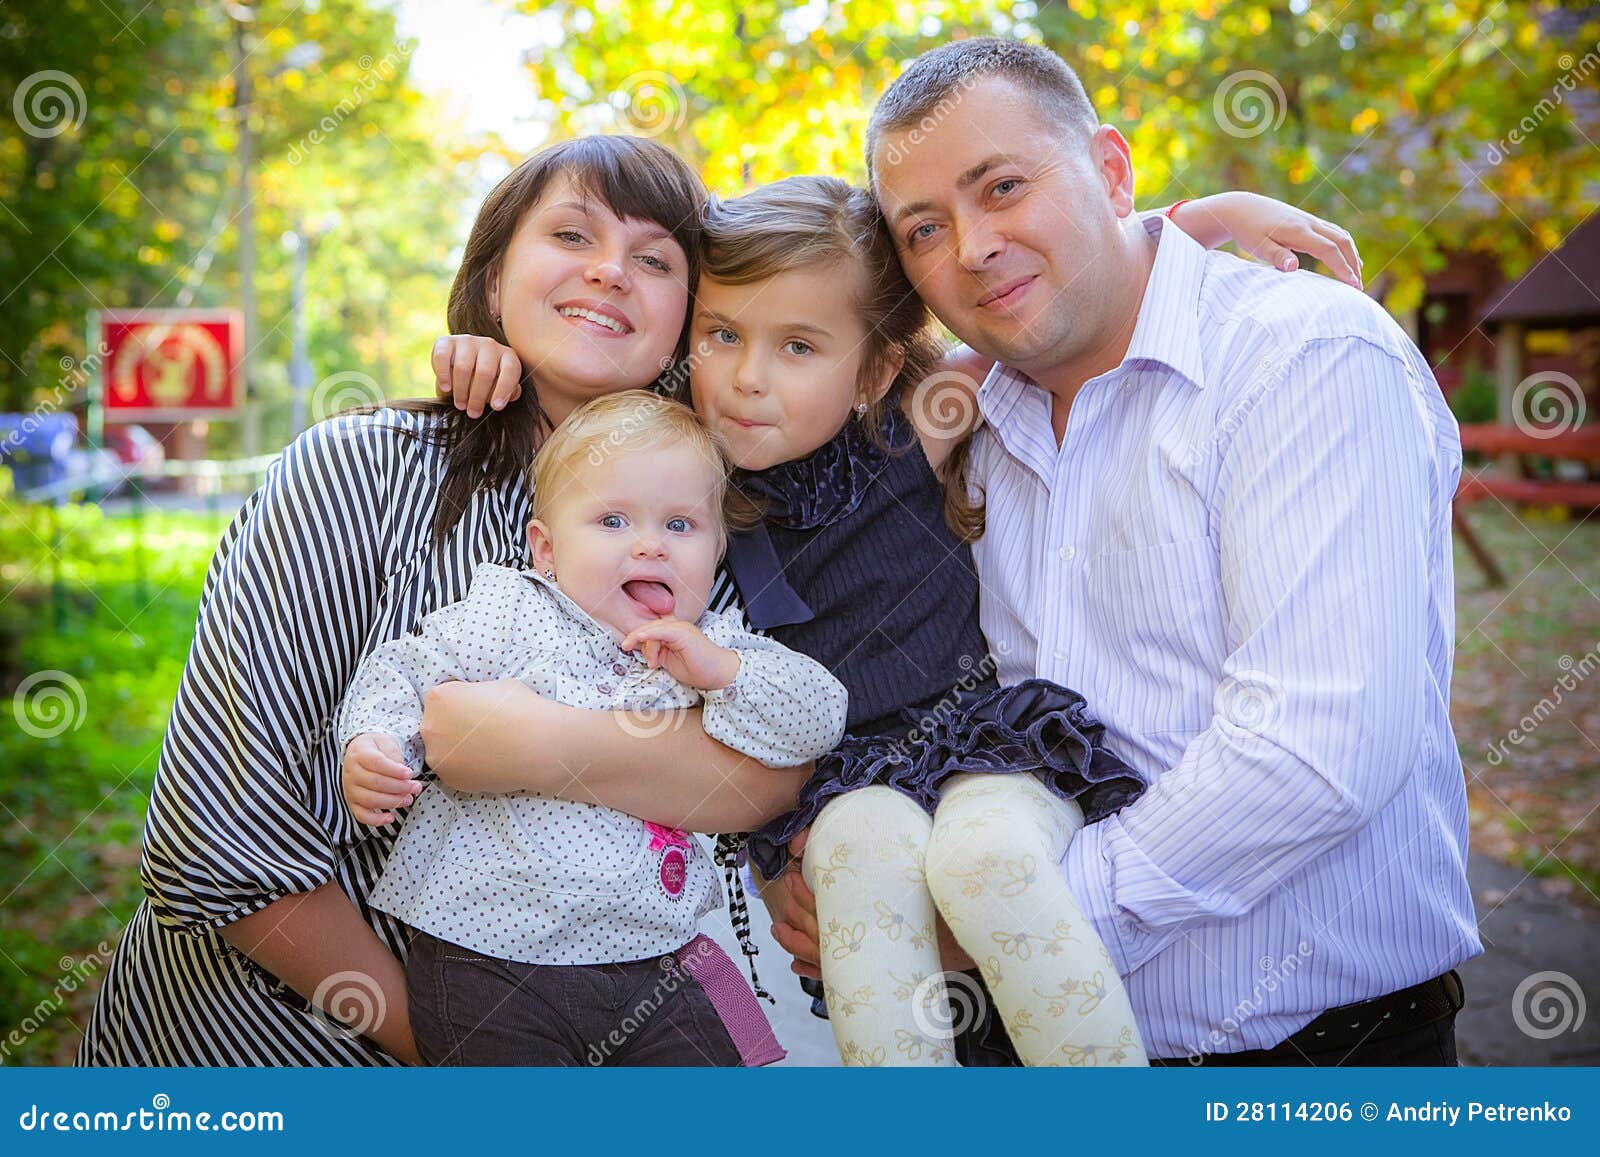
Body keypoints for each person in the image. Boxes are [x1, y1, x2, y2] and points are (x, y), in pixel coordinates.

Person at [430, 185, 1364, 1066]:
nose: (750, 379)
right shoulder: (681, 475)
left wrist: (1203, 218)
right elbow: (582, 414)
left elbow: (1055, 292)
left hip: (980, 747)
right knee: (862, 868)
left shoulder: (914, 426)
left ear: (874, 367)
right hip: (839, 776)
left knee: (991, 861)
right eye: (723, 334)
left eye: (799, 346)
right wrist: (487, 355)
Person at [761, 37, 1479, 1066]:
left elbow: (1315, 749)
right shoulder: (961, 414)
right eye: (924, 228)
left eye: (1002, 185)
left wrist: (999, 922)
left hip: (1309, 1055)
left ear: (1109, 169)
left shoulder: (1302, 357)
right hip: (1010, 1047)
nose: (970, 246)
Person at [77, 135, 811, 1066]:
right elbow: (218, 838)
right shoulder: (355, 473)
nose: (610, 272)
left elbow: (757, 774)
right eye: (572, 235)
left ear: (688, 320)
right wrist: (465, 1051)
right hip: (263, 1047)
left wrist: (531, 746)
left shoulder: (702, 522)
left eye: (655, 258)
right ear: (496, 278)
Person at [338, 391, 846, 1065]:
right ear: (545, 548)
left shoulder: (710, 644)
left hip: (654, 960)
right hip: (489, 954)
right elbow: (404, 668)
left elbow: (820, 715)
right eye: (612, 519)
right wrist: (373, 739)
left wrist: (722, 672)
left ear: (717, 551)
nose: (649, 545)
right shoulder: (513, 611)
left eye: (681, 526)